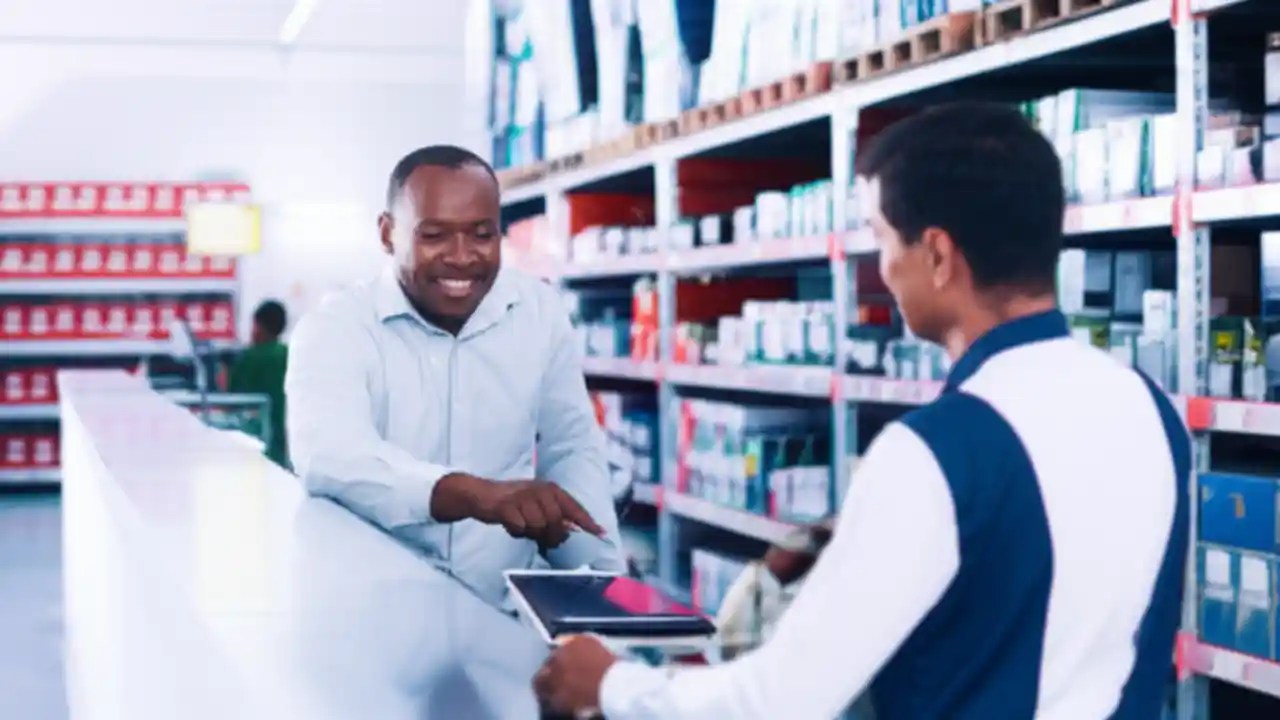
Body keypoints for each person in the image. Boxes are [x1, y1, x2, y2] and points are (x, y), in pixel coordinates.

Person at [534, 103, 1190, 719]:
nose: (883, 268)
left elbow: (781, 701)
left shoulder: (936, 451)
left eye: (882, 238)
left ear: (937, 255)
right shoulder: (1149, 409)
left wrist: (610, 682)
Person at [284, 145, 624, 604]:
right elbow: (332, 455)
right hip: (372, 607)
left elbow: (571, 445)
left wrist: (603, 584)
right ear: (387, 234)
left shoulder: (537, 312)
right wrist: (471, 494)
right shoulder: (337, 327)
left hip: (500, 607)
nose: (462, 257)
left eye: (482, 235)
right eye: (434, 236)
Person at [227, 299, 290, 467]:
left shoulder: (251, 357)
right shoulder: (288, 353)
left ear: (259, 326)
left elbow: (231, 397)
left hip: (258, 437)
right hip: (286, 436)